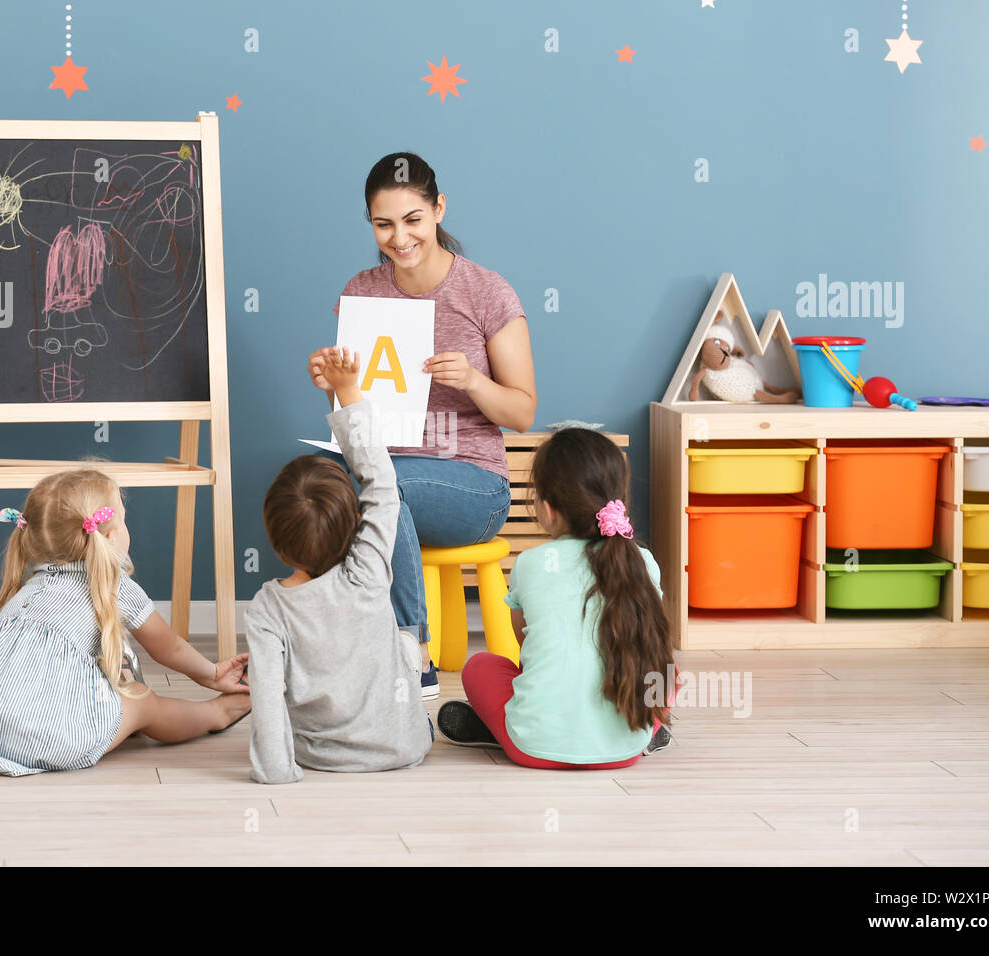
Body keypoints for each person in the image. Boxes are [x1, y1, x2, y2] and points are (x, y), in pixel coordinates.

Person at [308, 151, 537, 697]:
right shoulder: (362, 291)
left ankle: (412, 653)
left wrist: (474, 383)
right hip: (387, 471)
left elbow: (523, 412)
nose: (398, 237)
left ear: (438, 209)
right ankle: (342, 647)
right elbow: (362, 419)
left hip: (474, 485)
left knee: (382, 483)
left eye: (412, 220)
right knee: (317, 479)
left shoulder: (486, 292)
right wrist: (338, 383)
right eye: (383, 224)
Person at [0, 468, 250, 776]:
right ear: (113, 534)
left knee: (118, 679)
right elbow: (168, 647)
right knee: (142, 700)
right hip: (46, 739)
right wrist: (213, 674)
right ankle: (216, 714)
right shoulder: (115, 585)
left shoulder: (31, 588)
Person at [437, 428, 676, 768]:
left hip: (533, 750)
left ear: (547, 509)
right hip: (624, 752)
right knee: (668, 671)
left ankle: (505, 729)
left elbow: (525, 646)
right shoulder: (645, 563)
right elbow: (651, 643)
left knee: (480, 666)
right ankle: (645, 733)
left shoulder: (532, 564)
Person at [249, 347, 433, 784]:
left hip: (324, 758)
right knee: (404, 641)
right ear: (354, 524)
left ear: (273, 537)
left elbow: (269, 704)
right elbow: (381, 483)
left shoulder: (266, 610)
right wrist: (348, 392)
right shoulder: (367, 571)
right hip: (406, 746)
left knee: (391, 645)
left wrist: (276, 773)